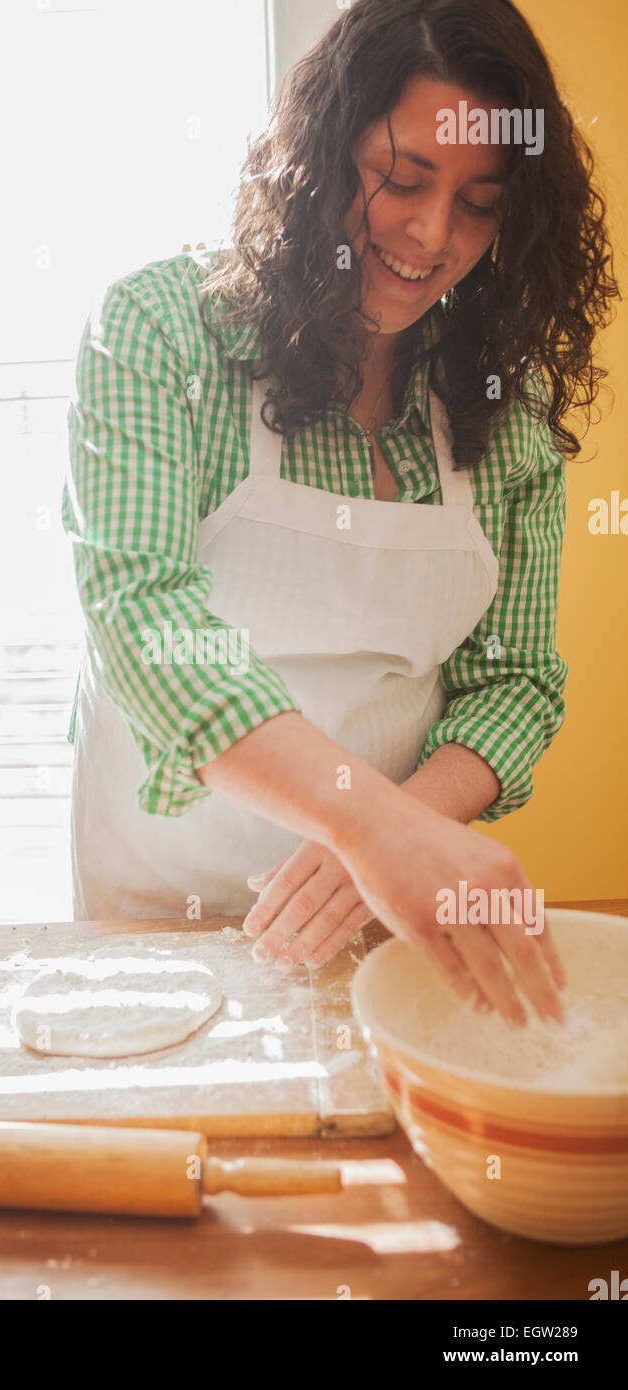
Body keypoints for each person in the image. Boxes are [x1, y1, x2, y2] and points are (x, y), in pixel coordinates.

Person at [62, 0, 618, 1027]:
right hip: (151, 913)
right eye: (401, 179)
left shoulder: (508, 410)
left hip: (381, 921)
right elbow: (146, 621)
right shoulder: (156, 333)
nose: (430, 233)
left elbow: (515, 684)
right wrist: (370, 826)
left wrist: (388, 839)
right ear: (319, 151)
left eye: (479, 203)